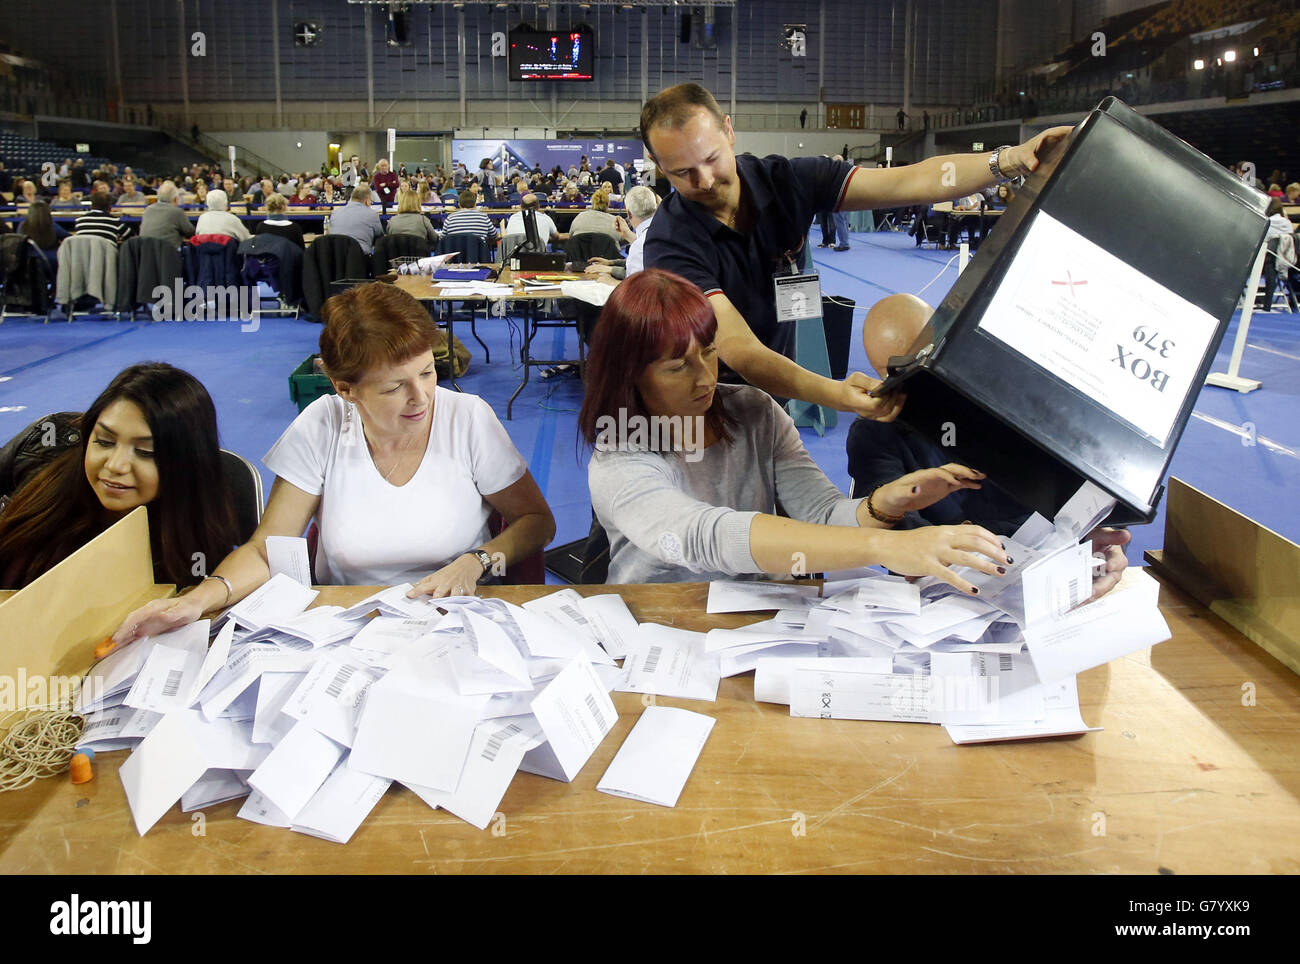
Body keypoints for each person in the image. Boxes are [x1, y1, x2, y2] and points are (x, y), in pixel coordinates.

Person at [111, 284, 556, 643]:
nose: (421, 397)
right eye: (393, 387)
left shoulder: (467, 417)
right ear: (345, 389)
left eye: (427, 371)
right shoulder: (322, 425)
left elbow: (535, 521)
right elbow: (269, 547)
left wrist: (477, 560)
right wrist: (200, 598)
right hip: (347, 629)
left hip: (456, 624)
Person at [639, 82, 1071, 421]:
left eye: (712, 158)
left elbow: (911, 181)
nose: (706, 179)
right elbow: (739, 349)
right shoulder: (670, 242)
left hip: (769, 397)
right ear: (661, 168)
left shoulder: (787, 180)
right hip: (695, 405)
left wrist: (1012, 159)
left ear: (729, 130)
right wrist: (835, 392)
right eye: (683, 172)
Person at [580, 270, 1011, 588]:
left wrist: (885, 504)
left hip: (764, 615)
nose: (705, 378)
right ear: (631, 373)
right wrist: (887, 547)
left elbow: (823, 514)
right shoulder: (619, 456)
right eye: (678, 367)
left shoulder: (755, 412)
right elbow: (702, 537)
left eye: (709, 354)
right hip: (664, 622)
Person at [845, 293, 1129, 599]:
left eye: (924, 364)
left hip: (1046, 578)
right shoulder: (874, 433)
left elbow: (1079, 488)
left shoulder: (1014, 397)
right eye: (897, 374)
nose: (916, 386)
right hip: (944, 594)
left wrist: (1098, 538)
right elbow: (888, 526)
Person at [0, 363, 239, 591]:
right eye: (104, 441)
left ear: (186, 462)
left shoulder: (196, 552)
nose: (115, 465)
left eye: (146, 452)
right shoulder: (41, 451)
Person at [584, 185, 659, 282]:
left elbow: (635, 286)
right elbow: (644, 259)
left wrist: (612, 282)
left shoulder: (639, 245)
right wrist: (611, 263)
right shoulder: (660, 231)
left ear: (629, 214)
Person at [327, 184, 386, 254]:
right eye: (371, 201)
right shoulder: (372, 214)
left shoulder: (334, 213)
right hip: (360, 257)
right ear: (367, 200)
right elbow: (379, 239)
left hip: (336, 257)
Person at [139, 180, 196, 247]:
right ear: (176, 199)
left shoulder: (148, 210)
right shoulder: (176, 212)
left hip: (146, 251)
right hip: (167, 253)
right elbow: (190, 232)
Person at [569, 191, 635, 248]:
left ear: (592, 203)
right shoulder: (615, 221)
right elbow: (621, 238)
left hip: (579, 258)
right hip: (608, 259)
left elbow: (571, 235)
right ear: (608, 204)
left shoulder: (580, 216)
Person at [18, 199, 68, 274]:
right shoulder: (52, 226)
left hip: (28, 261)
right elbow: (68, 238)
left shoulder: (22, 226)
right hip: (52, 262)